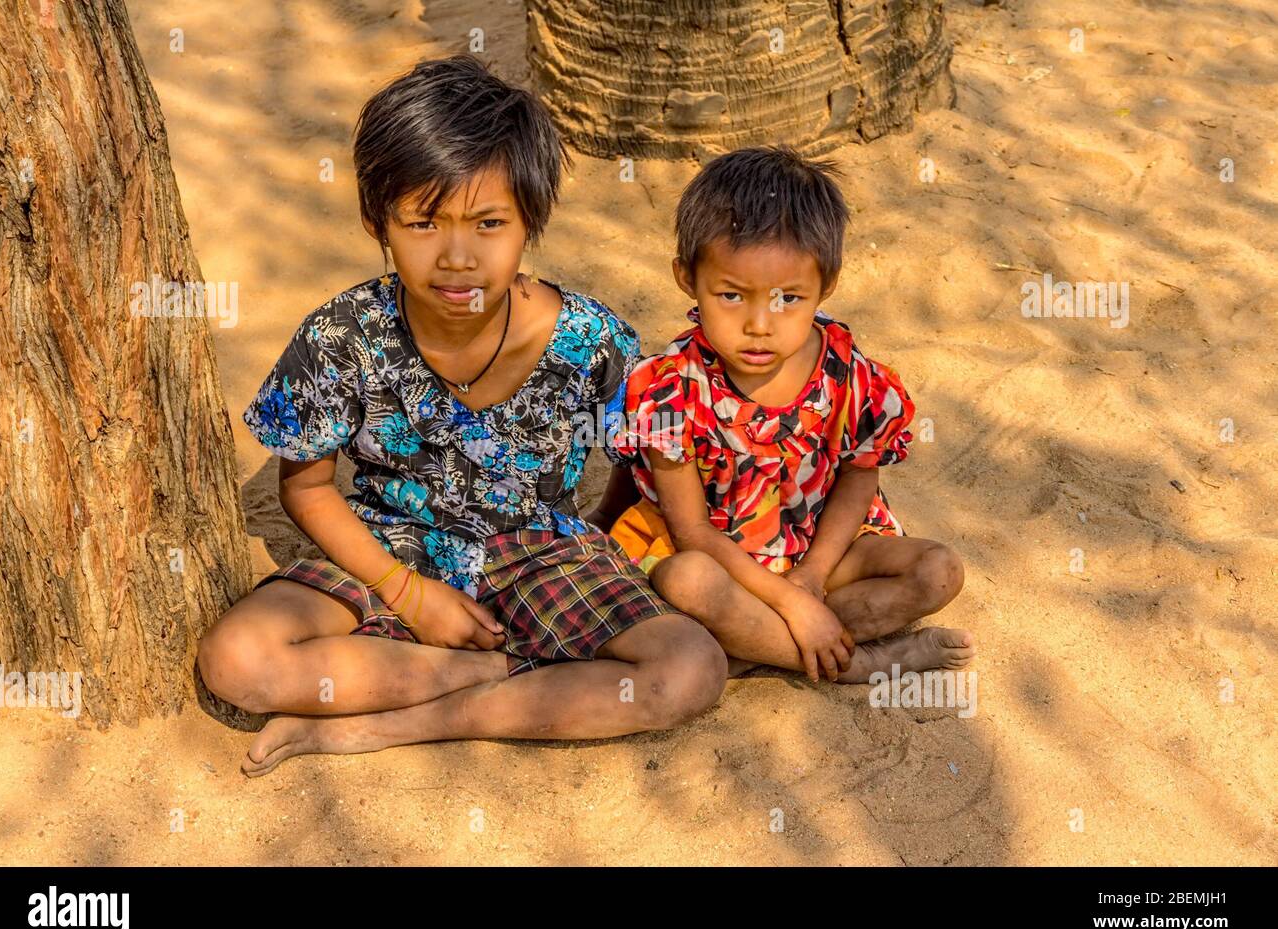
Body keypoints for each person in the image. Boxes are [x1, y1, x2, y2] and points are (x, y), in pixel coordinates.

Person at [197, 56, 726, 777]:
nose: (456, 256)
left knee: (688, 668)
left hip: (543, 554)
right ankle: (499, 673)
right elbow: (307, 488)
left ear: (529, 221)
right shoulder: (342, 336)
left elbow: (657, 453)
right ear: (375, 219)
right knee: (238, 660)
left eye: (488, 222)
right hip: (392, 547)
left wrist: (609, 539)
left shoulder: (594, 341)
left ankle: (402, 724)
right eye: (422, 221)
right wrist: (409, 595)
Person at [609, 146, 975, 684]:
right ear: (687, 277)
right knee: (685, 581)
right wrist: (791, 601)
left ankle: (757, 646)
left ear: (825, 284)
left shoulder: (848, 375)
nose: (760, 324)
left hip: (824, 550)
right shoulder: (670, 388)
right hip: (723, 563)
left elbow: (857, 478)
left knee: (939, 571)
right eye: (731, 295)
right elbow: (690, 532)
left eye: (788, 299)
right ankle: (864, 662)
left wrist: (810, 580)